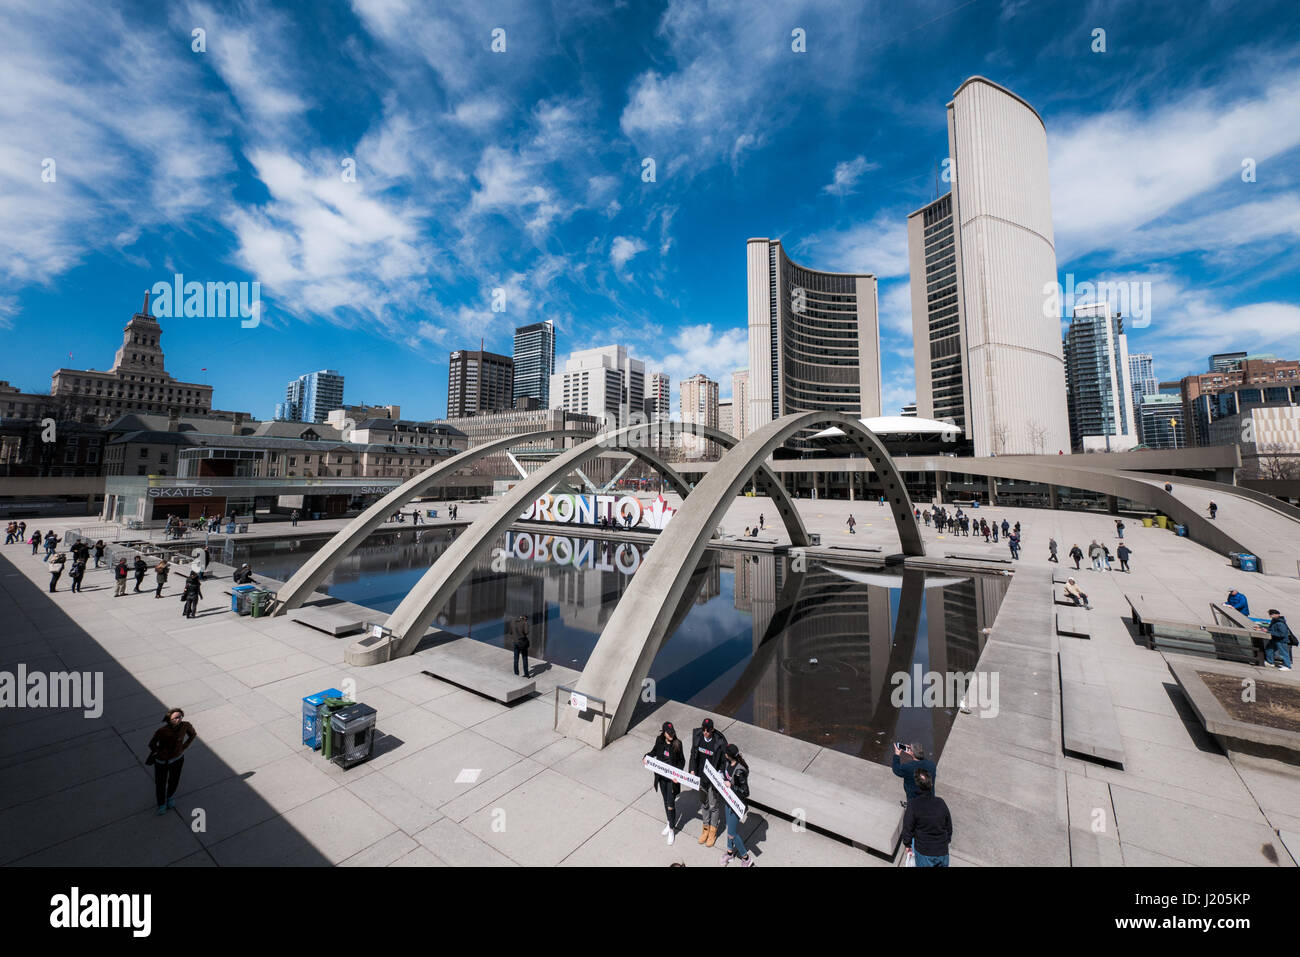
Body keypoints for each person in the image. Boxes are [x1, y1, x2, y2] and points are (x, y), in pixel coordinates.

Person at [147, 708, 197, 814]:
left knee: (174, 780)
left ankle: (170, 797)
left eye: (180, 717)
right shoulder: (162, 731)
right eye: (175, 718)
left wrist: (184, 747)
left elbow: (193, 734)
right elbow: (151, 744)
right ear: (169, 719)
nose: (178, 719)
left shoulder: (185, 726)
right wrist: (159, 753)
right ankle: (161, 804)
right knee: (161, 783)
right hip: (162, 762)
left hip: (177, 759)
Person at [690, 717, 728, 847]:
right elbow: (693, 754)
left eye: (707, 730)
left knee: (713, 806)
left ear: (712, 729)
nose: (704, 732)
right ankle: (705, 829)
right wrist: (692, 770)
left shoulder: (719, 742)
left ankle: (713, 832)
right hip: (701, 778)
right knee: (704, 804)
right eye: (703, 729)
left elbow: (724, 760)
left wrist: (720, 773)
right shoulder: (698, 737)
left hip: (712, 780)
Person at [645, 721, 686, 844]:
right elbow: (653, 752)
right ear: (664, 733)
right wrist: (646, 757)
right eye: (669, 733)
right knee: (665, 801)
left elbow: (682, 761)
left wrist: (677, 775)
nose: (671, 735)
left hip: (672, 780)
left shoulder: (677, 744)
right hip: (661, 777)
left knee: (670, 804)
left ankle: (672, 830)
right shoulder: (659, 740)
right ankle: (669, 822)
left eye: (672, 733)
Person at [901, 769, 952, 867]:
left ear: (917, 786)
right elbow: (949, 826)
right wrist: (946, 841)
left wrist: (907, 844)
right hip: (942, 851)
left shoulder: (913, 805)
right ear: (931, 785)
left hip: (924, 852)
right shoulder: (941, 802)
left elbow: (908, 828)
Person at [719, 744, 753, 867]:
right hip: (728, 800)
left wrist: (731, 786)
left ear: (729, 755)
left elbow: (746, 792)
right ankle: (729, 852)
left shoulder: (739, 771)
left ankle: (746, 858)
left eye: (725, 753)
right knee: (729, 828)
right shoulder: (728, 763)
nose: (724, 755)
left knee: (732, 834)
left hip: (737, 804)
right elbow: (725, 775)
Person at [892, 742, 937, 807]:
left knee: (913, 810)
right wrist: (914, 754)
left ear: (912, 753)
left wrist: (897, 755)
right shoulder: (932, 765)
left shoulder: (908, 767)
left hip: (914, 798)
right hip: (929, 796)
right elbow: (923, 762)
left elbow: (896, 769)